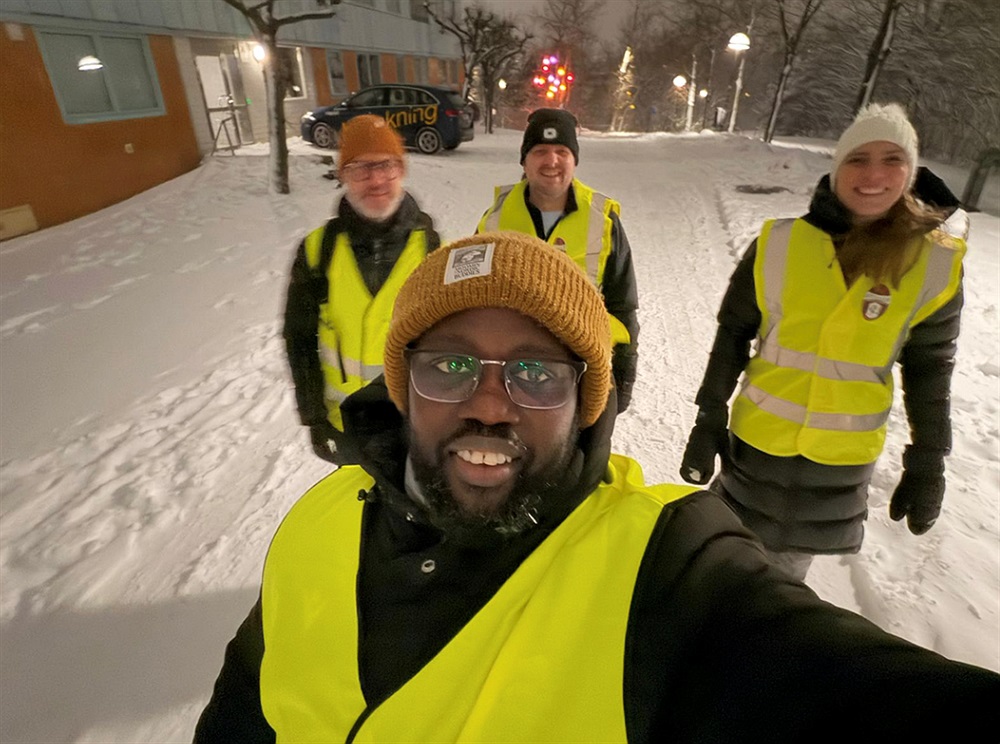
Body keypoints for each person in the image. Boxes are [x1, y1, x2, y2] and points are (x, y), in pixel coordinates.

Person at [196, 231, 996, 743]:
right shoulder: (319, 518)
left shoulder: (666, 565)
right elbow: (245, 698)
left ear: (586, 406)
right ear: (405, 386)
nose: (487, 403)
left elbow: (826, 684)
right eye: (450, 364)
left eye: (539, 373)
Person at [680, 103, 968, 581]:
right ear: (837, 169)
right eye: (858, 159)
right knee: (710, 558)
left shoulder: (934, 265)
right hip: (755, 449)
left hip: (837, 465)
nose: (873, 174)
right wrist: (709, 415)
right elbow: (732, 334)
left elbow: (931, 369)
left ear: (912, 170)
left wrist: (929, 458)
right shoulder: (779, 244)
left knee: (778, 586)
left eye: (892, 159)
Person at [283, 114, 440, 464]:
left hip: (412, 426)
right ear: (342, 175)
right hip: (345, 426)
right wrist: (313, 417)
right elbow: (299, 340)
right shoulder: (316, 253)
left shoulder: (432, 250)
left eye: (386, 165)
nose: (375, 179)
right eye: (359, 168)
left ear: (402, 169)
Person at [477, 107, 639, 413]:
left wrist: (624, 373)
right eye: (540, 151)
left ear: (574, 160)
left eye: (561, 151)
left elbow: (623, 304)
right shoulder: (494, 219)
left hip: (581, 375)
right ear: (524, 160)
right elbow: (469, 297)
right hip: (508, 379)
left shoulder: (603, 219)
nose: (551, 161)